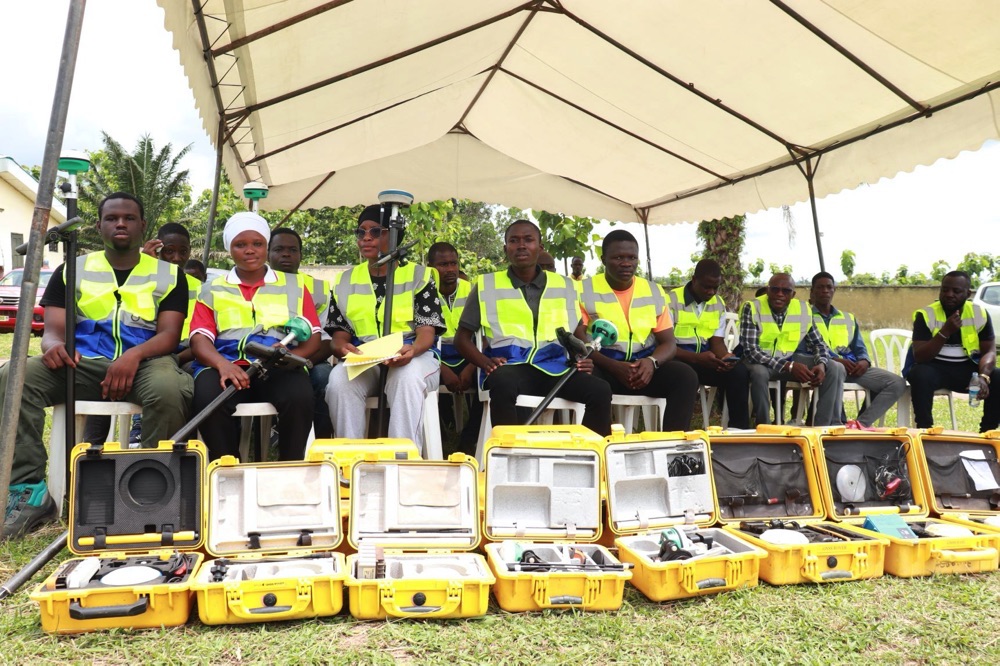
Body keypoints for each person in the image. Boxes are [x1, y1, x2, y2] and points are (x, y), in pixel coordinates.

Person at [1, 192, 193, 539]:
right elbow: (54, 331)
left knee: (171, 389)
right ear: (98, 225)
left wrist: (131, 357)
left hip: (146, 363)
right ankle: (28, 492)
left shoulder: (169, 275)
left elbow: (169, 335)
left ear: (142, 226)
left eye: (129, 218)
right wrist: (54, 346)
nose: (120, 223)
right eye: (112, 218)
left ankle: (149, 489)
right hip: (84, 363)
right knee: (14, 377)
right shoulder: (72, 268)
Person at [454, 220, 612, 435]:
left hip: (556, 367)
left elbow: (576, 333)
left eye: (528, 240)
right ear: (505, 249)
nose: (521, 245)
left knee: (600, 390)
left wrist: (583, 355)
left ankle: (591, 457)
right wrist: (485, 362)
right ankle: (510, 457)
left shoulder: (565, 285)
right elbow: (461, 339)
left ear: (540, 247)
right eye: (514, 240)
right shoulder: (486, 285)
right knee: (502, 383)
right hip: (512, 368)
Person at [189, 212, 321, 461]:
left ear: (266, 247)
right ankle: (226, 469)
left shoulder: (293, 285)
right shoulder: (211, 289)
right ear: (230, 249)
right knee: (207, 398)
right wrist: (222, 365)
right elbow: (199, 339)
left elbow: (314, 336)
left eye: (257, 244)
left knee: (300, 396)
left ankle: (290, 468)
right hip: (226, 366)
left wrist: (292, 357)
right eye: (241, 245)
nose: (250, 250)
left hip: (278, 366)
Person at [325, 205, 444, 453]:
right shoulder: (345, 280)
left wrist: (411, 350)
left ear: (394, 235)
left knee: (406, 378)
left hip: (412, 356)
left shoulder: (419, 275)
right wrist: (341, 347)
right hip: (365, 359)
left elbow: (427, 332)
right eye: (361, 232)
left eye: (376, 231)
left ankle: (400, 460)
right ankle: (350, 461)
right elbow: (339, 334)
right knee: (339, 380)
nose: (366, 238)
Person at [577, 230, 698, 430]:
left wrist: (651, 363)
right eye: (618, 257)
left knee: (685, 376)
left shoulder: (653, 290)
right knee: (590, 382)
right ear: (603, 259)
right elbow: (579, 338)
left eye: (632, 257)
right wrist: (614, 367)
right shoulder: (583, 289)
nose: (626, 263)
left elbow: (669, 342)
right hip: (604, 366)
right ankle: (602, 449)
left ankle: (672, 449)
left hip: (642, 369)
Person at [741, 273, 845, 426]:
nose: (780, 294)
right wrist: (788, 366)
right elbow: (750, 351)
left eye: (786, 291)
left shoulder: (803, 309)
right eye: (775, 289)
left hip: (789, 360)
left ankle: (822, 426)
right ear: (768, 290)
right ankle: (764, 427)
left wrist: (821, 363)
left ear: (793, 294)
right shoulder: (752, 307)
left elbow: (819, 344)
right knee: (758, 372)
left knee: (835, 367)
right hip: (762, 362)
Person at [906, 271, 1000, 430]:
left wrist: (983, 376)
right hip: (933, 368)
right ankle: (925, 430)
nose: (949, 295)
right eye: (945, 290)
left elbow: (989, 351)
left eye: (956, 291)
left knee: (997, 376)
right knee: (920, 374)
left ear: (968, 293)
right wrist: (945, 332)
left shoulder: (979, 313)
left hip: (966, 370)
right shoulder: (926, 314)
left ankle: (987, 433)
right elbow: (920, 356)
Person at [810, 272, 905, 429]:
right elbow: (807, 347)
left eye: (829, 287)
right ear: (812, 291)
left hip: (851, 369)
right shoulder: (805, 316)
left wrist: (864, 361)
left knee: (896, 383)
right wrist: (834, 360)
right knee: (837, 369)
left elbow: (859, 345)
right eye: (820, 287)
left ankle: (860, 424)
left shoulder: (847, 317)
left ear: (834, 290)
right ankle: (834, 425)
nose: (825, 291)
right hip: (825, 368)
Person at [268, 227, 336, 439]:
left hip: (311, 358)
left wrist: (301, 361)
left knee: (325, 378)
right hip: (266, 357)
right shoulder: (257, 285)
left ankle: (322, 441)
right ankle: (272, 433)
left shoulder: (319, 289)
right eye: (279, 249)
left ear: (301, 255)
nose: (286, 254)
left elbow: (327, 338)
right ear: (268, 253)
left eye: (292, 249)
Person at [666, 259, 750, 429]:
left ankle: (738, 431)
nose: (711, 292)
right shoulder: (671, 301)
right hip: (676, 358)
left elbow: (716, 342)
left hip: (705, 359)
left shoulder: (717, 303)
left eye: (715, 287)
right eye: (706, 287)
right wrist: (697, 358)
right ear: (694, 279)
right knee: (685, 375)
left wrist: (725, 357)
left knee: (739, 372)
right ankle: (681, 432)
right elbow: (664, 345)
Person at [428, 241, 481, 455]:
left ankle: (469, 440)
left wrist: (471, 367)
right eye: (442, 264)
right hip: (434, 357)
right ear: (429, 266)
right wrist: (443, 370)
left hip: (469, 355)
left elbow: (484, 335)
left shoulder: (473, 290)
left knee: (490, 381)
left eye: (453, 263)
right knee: (420, 381)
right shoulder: (421, 291)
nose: (450, 269)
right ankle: (436, 436)